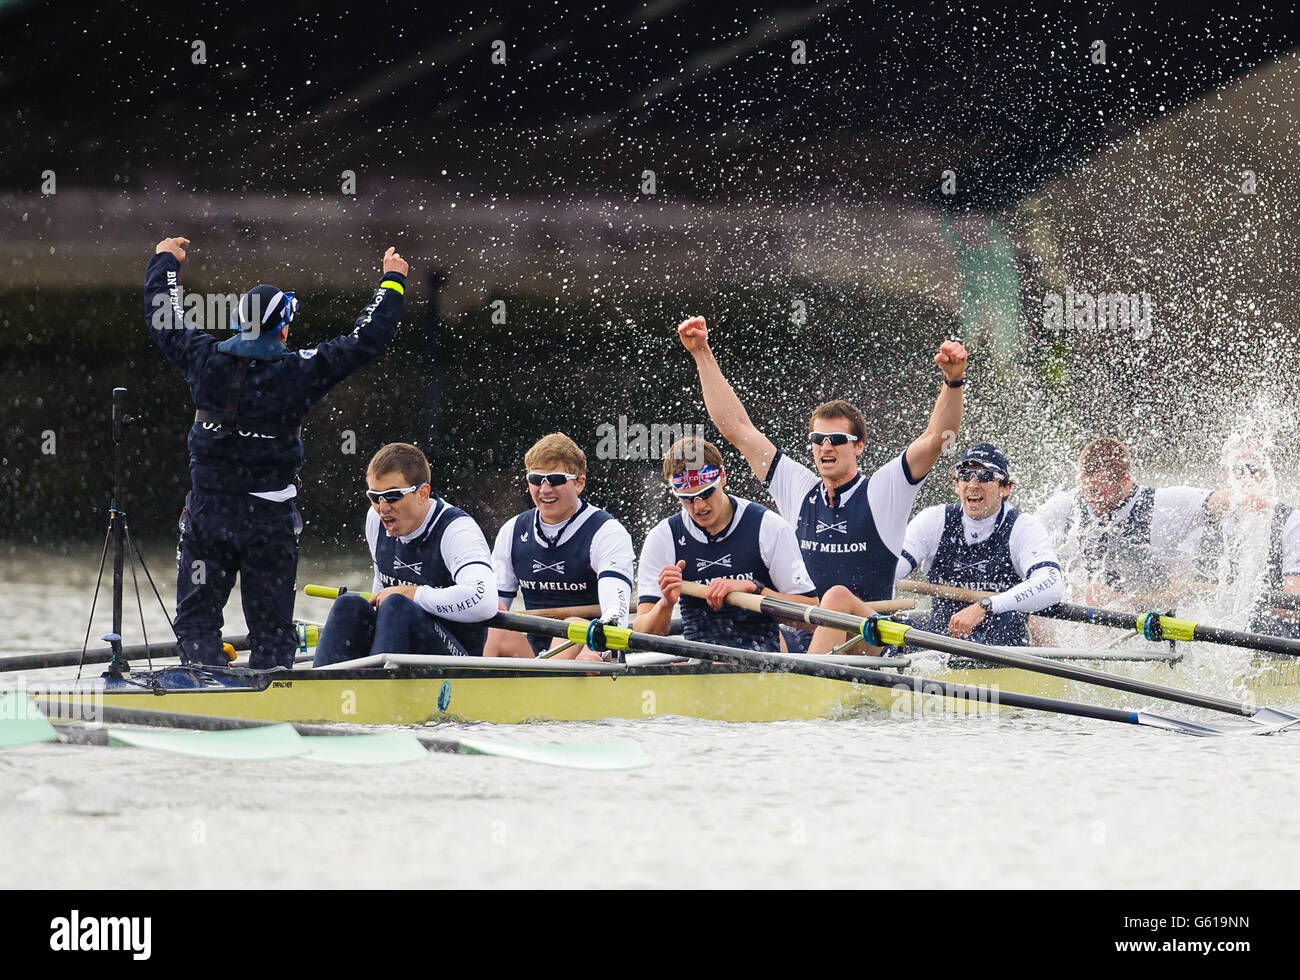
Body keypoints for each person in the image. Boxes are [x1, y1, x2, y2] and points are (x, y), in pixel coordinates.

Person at [145, 236, 408, 669]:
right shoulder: (299, 371)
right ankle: (266, 693)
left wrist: (164, 263)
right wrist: (392, 283)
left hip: (207, 517)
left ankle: (201, 682)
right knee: (271, 633)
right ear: (282, 328)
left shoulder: (203, 358)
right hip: (268, 523)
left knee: (195, 625)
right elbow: (364, 340)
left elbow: (163, 316)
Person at [676, 314, 967, 652]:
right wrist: (701, 352)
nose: (826, 446)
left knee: (838, 597)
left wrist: (953, 381)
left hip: (870, 639)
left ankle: (804, 688)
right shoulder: (798, 487)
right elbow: (738, 429)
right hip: (806, 631)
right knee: (743, 618)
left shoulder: (883, 491)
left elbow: (935, 439)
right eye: (818, 438)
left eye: (837, 439)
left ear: (858, 445)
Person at [313, 443, 497, 665]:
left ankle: (376, 688)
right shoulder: (375, 520)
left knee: (397, 605)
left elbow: (485, 602)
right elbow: (381, 591)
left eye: (392, 496)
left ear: (422, 493)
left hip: (457, 661)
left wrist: (416, 594)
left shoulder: (457, 530)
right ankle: (322, 688)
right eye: (374, 496)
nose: (382, 508)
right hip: (402, 646)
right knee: (348, 605)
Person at [634, 436, 818, 652]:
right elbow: (643, 635)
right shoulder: (663, 537)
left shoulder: (767, 526)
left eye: (706, 493)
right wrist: (665, 603)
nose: (699, 506)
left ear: (722, 478)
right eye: (687, 498)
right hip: (700, 663)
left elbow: (812, 617)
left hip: (765, 659)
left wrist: (756, 589)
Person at [484, 433, 636, 661]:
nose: (544, 490)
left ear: (579, 483)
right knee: (494, 627)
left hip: (588, 651)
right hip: (533, 657)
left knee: (574, 626)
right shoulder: (513, 530)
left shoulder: (606, 532)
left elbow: (616, 612)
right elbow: (494, 609)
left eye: (555, 479)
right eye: (536, 479)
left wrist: (596, 648)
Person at [896, 443, 1063, 645]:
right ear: (957, 485)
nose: (973, 484)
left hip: (1003, 648)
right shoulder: (933, 520)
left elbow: (1052, 585)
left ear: (1005, 487)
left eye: (985, 476)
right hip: (940, 643)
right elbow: (890, 569)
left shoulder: (1023, 527)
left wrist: (986, 605)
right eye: (966, 475)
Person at [1035, 436, 1223, 608]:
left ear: (1125, 480)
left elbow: (1222, 501)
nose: (1090, 499)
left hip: (1154, 611)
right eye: (1086, 490)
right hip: (1101, 615)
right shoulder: (1068, 505)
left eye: (1098, 492)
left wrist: (1248, 496)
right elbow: (1019, 532)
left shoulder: (1162, 505)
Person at [1189, 435, 1300, 637]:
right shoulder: (1201, 520)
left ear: (1267, 473)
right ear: (1226, 474)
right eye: (1238, 468)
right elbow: (1178, 588)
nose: (1246, 476)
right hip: (1210, 624)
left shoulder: (1292, 522)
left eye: (1253, 468)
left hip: (1268, 630)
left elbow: (1293, 607)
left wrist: (1239, 602)